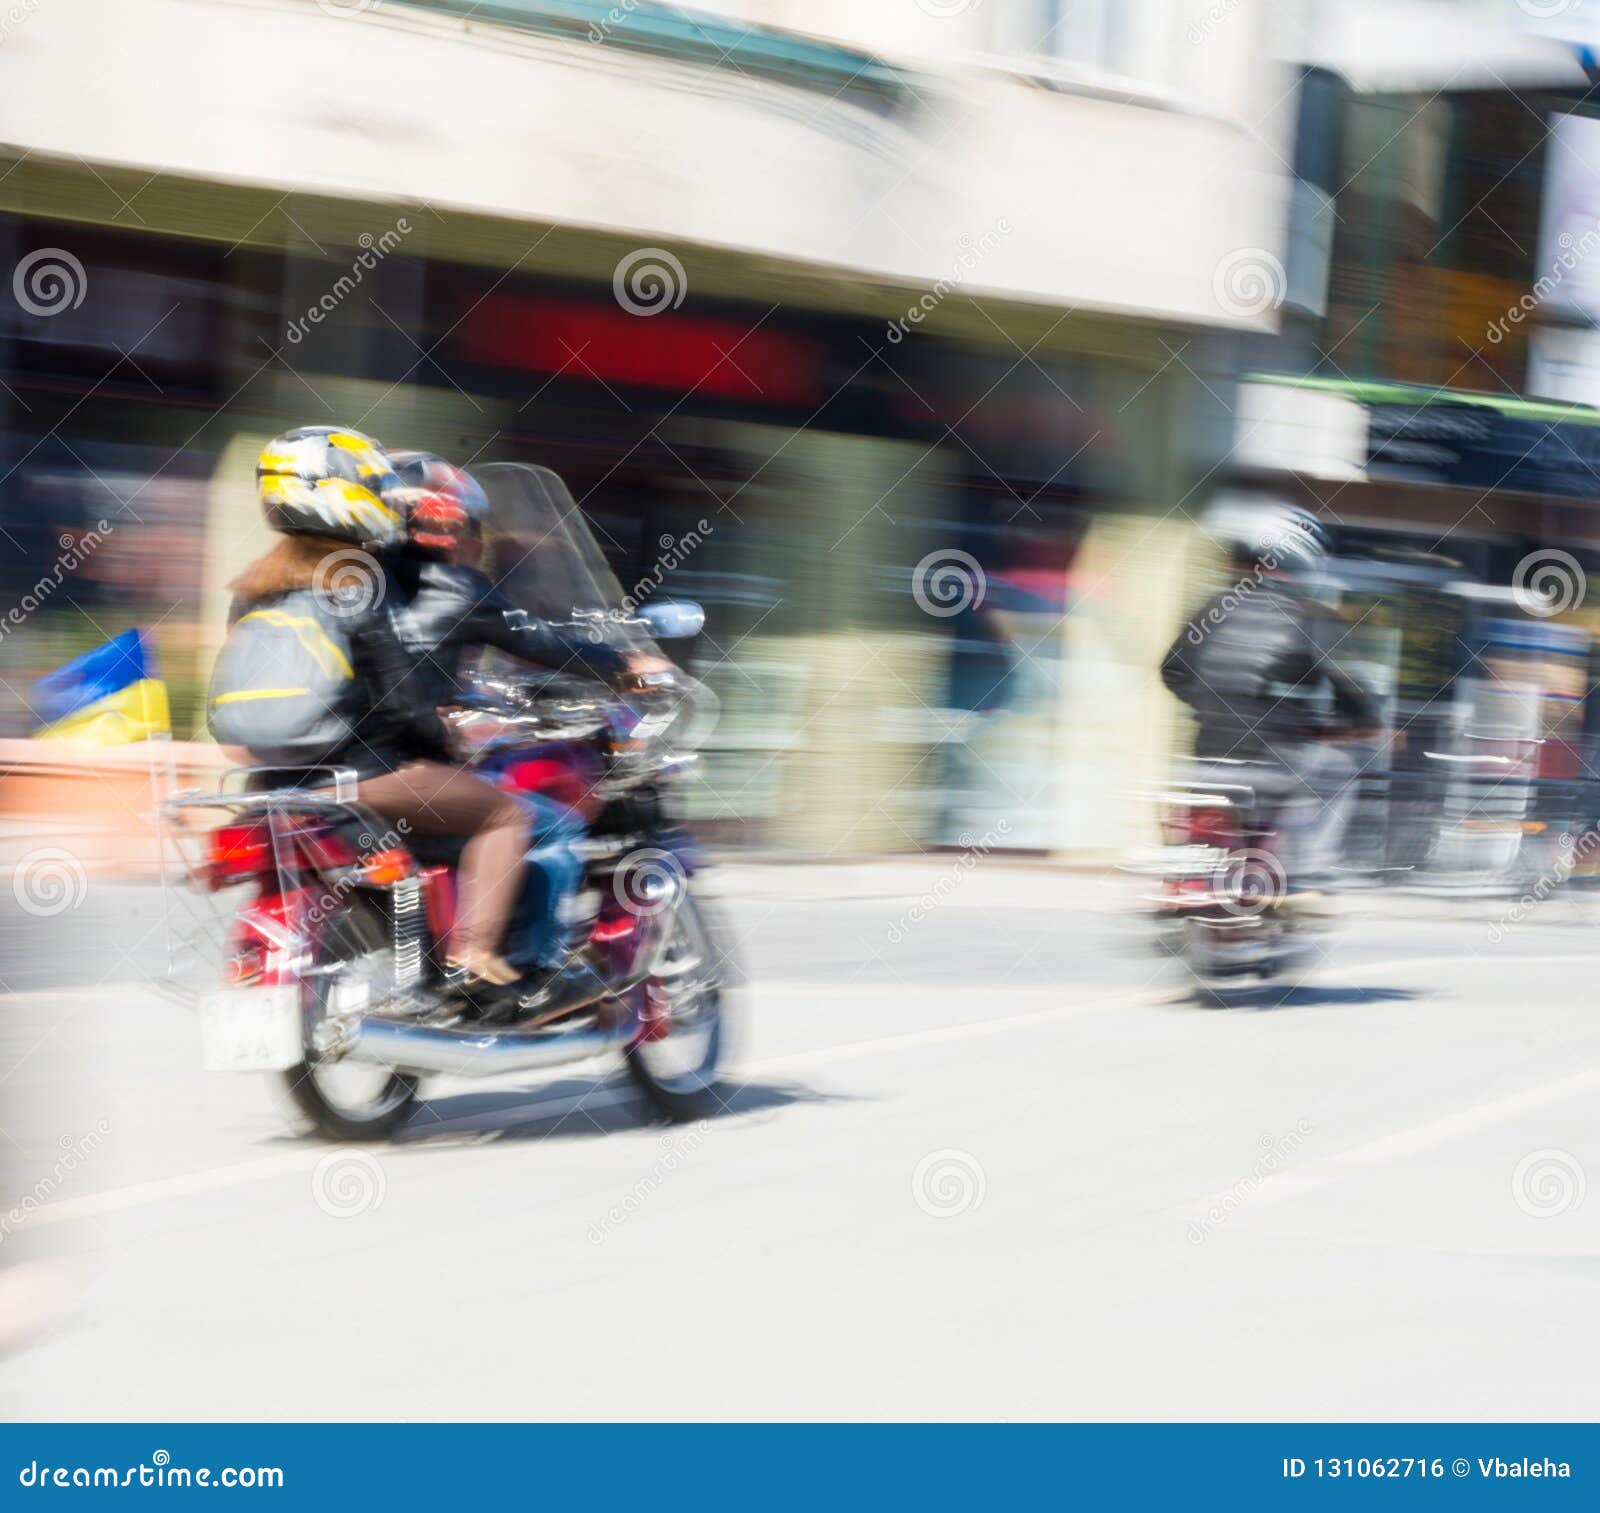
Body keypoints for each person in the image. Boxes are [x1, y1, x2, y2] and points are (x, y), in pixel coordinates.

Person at [226, 425, 534, 989]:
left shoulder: (253, 588)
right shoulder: (356, 582)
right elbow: (400, 699)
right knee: (506, 814)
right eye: (376, 489)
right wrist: (443, 742)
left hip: (269, 784)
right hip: (359, 777)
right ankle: (474, 955)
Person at [382, 451, 656, 980]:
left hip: (333, 766)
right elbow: (537, 639)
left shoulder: (349, 585)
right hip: (399, 768)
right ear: (452, 528)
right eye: (472, 528)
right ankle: (532, 971)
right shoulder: (454, 586)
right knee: (550, 824)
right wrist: (623, 665)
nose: (478, 543)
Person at [1160, 496, 1383, 903]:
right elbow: (1350, 687)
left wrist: (1210, 704)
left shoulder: (1212, 609)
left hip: (1206, 755)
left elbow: (1171, 671)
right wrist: (1364, 723)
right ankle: (1307, 873)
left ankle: (1192, 871)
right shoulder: (1310, 617)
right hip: (1275, 760)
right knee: (1339, 769)